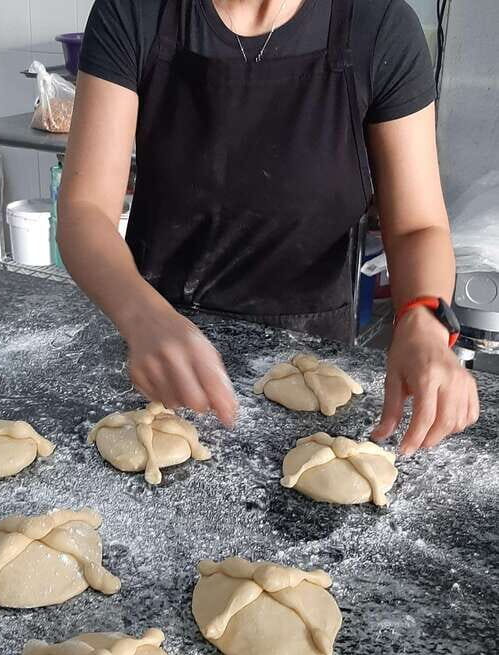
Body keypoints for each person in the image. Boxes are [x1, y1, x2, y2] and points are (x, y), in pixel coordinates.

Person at [57, 0, 479, 454]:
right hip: (152, 341)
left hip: (311, 359)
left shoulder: (379, 25)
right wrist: (143, 318)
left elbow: (418, 226)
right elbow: (85, 210)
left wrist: (424, 320)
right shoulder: (135, 12)